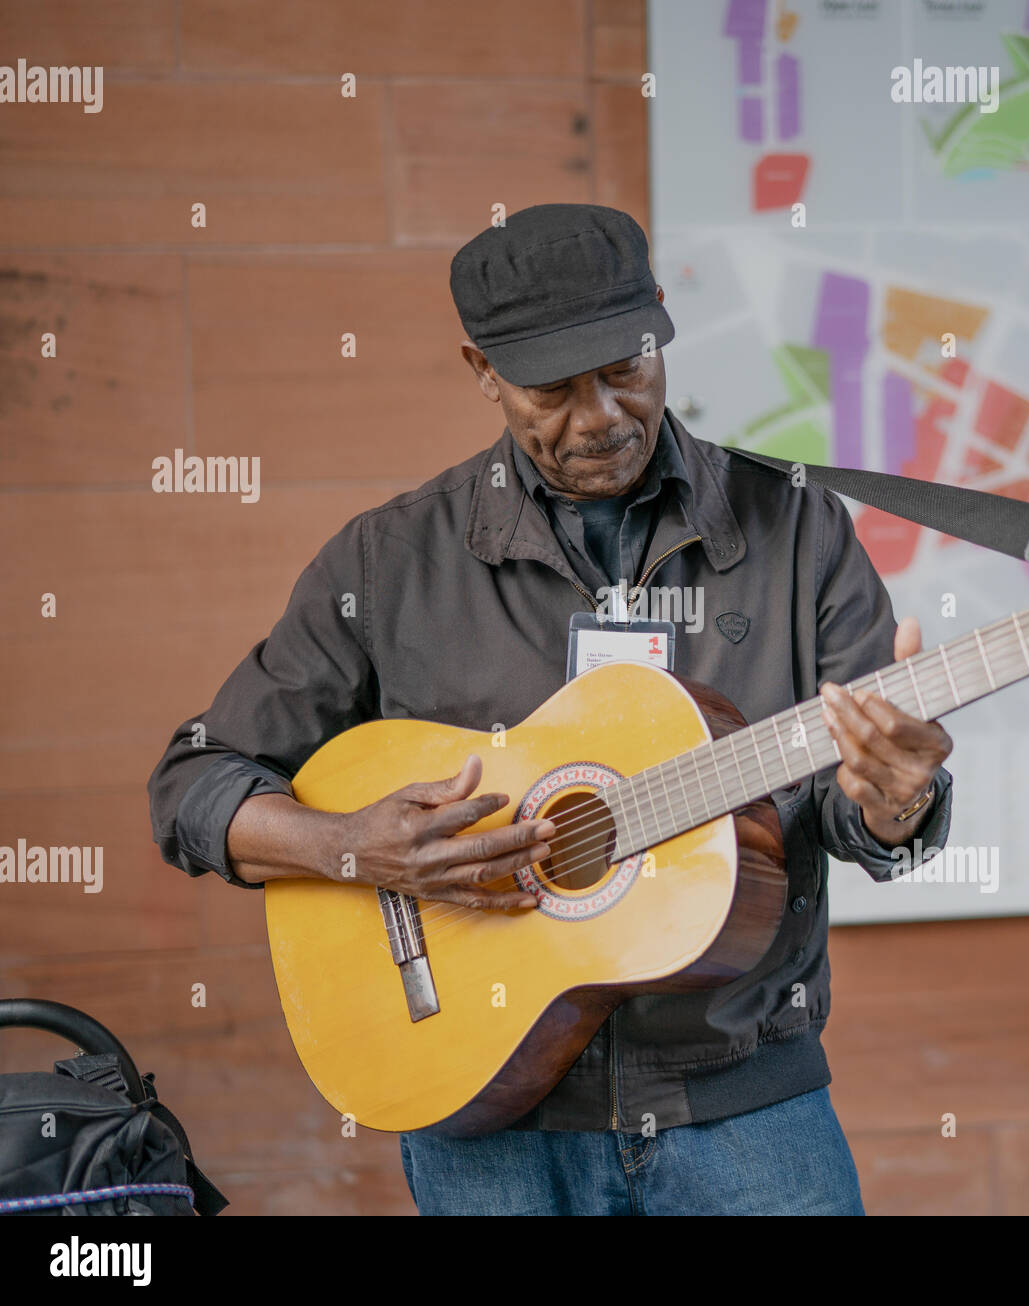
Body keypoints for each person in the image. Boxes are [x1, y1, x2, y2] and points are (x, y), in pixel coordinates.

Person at [147, 203, 955, 1216]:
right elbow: (194, 783)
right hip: (485, 1119)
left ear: (661, 323)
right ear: (481, 369)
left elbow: (860, 820)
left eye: (625, 367)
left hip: (745, 1105)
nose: (600, 416)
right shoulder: (389, 562)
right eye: (550, 388)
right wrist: (355, 847)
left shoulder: (798, 530)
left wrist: (893, 801)